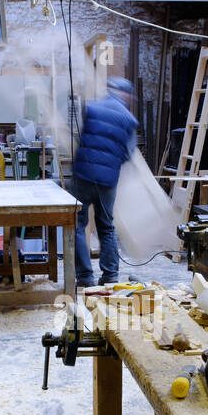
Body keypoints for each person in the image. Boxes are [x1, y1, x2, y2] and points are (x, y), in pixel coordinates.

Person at [71, 76, 138, 287]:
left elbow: (81, 137)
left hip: (83, 175)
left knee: (77, 225)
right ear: (125, 95)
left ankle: (85, 278)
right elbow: (128, 154)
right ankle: (110, 275)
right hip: (108, 181)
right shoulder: (129, 120)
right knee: (106, 226)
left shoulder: (92, 108)